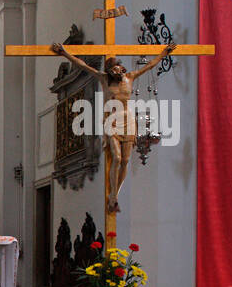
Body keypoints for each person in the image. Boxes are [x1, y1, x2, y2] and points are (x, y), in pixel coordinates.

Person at [50, 41, 175, 212]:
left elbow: (151, 65)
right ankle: (113, 196)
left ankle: (115, 194)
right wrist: (64, 53)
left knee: (125, 160)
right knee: (116, 158)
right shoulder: (104, 79)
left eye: (117, 68)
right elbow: (84, 65)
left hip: (128, 121)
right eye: (112, 70)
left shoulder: (130, 77)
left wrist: (164, 53)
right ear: (109, 71)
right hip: (112, 121)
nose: (116, 71)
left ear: (121, 68)